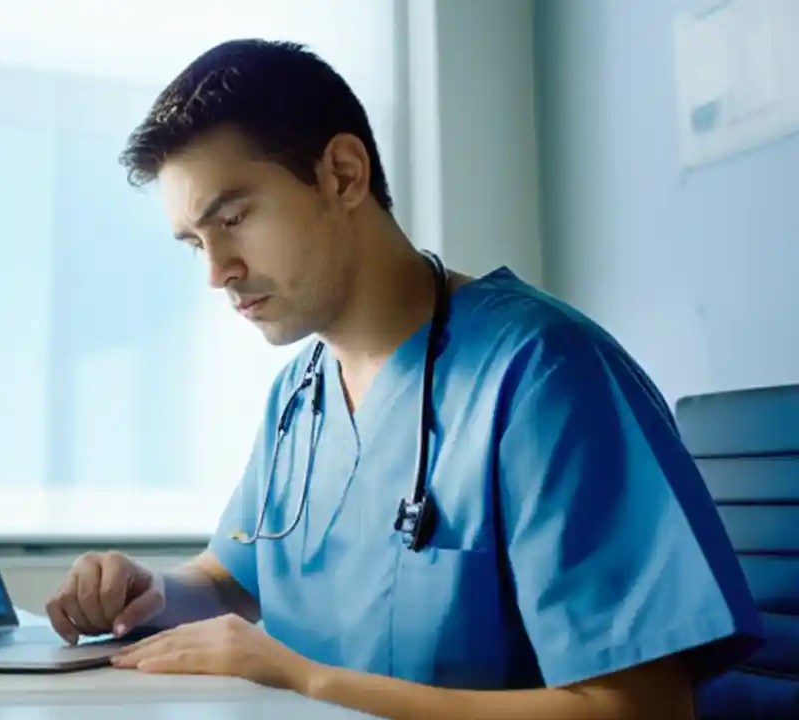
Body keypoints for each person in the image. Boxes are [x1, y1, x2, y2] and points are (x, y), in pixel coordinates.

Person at [44, 39, 763, 719]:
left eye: (233, 218)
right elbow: (233, 578)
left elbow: (643, 709)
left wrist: (307, 680)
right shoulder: (302, 394)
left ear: (343, 174)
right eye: (195, 242)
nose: (216, 271)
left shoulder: (543, 376)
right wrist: (153, 593)